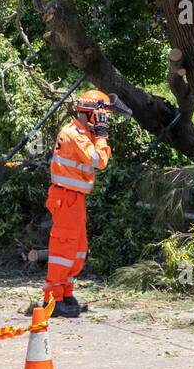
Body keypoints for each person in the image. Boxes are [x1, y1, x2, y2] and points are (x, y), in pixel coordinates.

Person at [45, 90, 131, 317]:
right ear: (91, 113)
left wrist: (98, 133)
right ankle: (52, 299)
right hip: (65, 198)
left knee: (78, 249)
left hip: (74, 199)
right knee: (63, 249)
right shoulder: (75, 135)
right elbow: (99, 161)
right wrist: (102, 135)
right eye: (102, 115)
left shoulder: (83, 133)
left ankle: (66, 293)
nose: (105, 121)